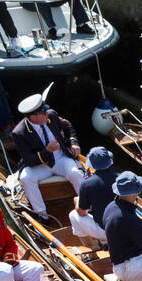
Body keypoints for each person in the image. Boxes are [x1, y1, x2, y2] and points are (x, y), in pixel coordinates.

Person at [10, 84, 85, 215]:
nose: (47, 113)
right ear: (33, 117)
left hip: (61, 159)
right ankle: (42, 214)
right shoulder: (19, 133)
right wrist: (47, 151)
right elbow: (29, 160)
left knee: (76, 174)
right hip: (40, 165)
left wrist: (74, 143)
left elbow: (68, 127)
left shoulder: (51, 115)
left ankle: (87, 208)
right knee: (26, 178)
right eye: (43, 112)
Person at [68, 147, 118, 248]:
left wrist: (77, 200)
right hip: (125, 226)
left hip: (107, 231)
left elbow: (81, 212)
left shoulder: (87, 184)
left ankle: (93, 248)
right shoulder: (120, 178)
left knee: (73, 215)